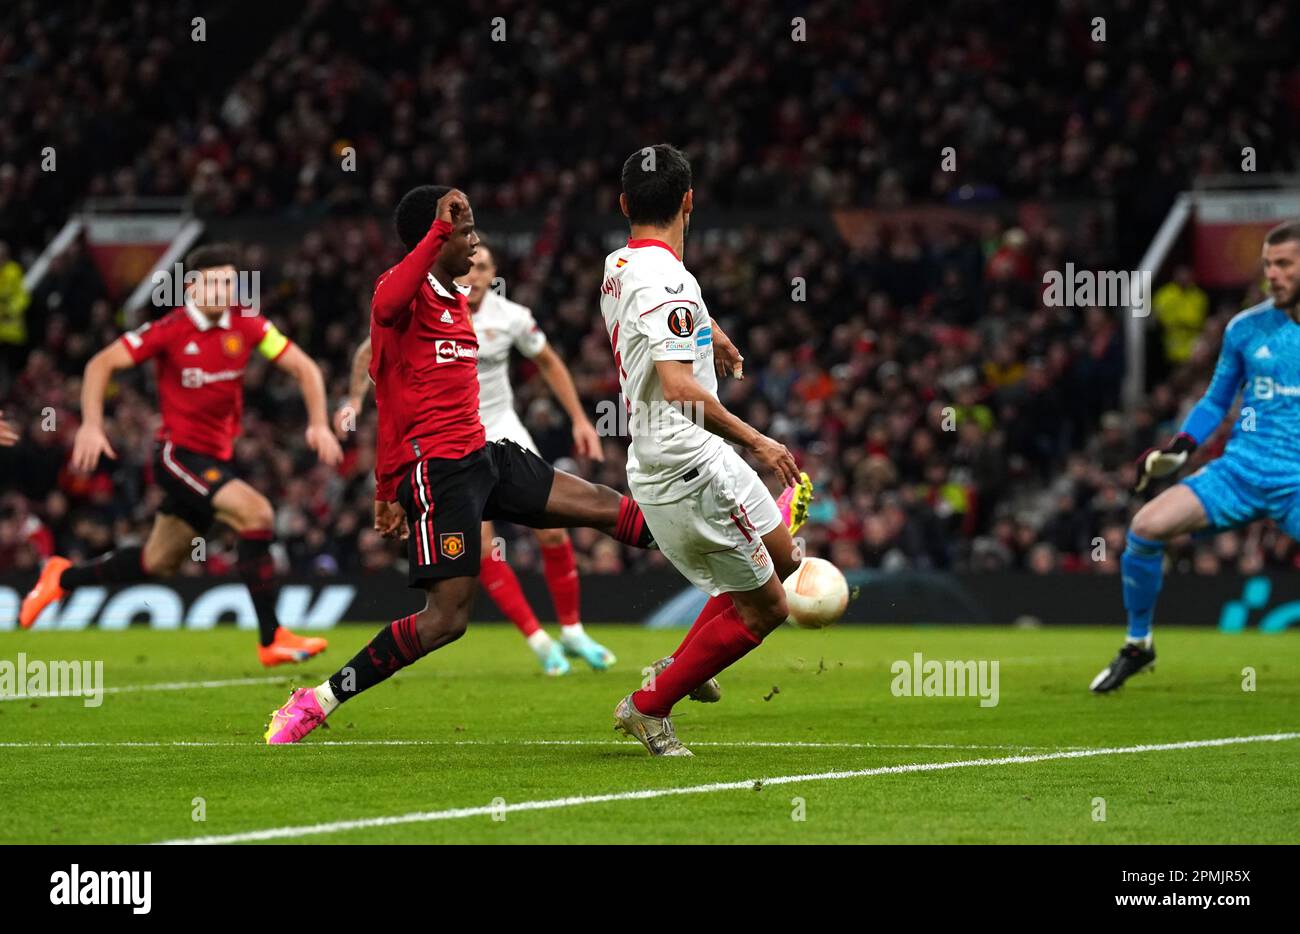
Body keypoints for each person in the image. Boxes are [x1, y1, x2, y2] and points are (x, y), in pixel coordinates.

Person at [265, 186, 660, 744]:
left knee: (596, 502)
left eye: (473, 231)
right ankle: (318, 699)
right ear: (436, 235)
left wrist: (383, 488)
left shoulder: (453, 298)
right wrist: (388, 487)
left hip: (483, 456)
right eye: (466, 232)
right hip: (438, 473)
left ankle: (738, 554)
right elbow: (384, 337)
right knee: (446, 620)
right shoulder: (398, 294)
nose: (475, 246)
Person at [19, 244, 344, 665]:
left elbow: (305, 368)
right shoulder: (170, 330)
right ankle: (272, 637)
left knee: (159, 561)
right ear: (191, 286)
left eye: (229, 282)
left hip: (215, 459)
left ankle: (60, 577)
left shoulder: (249, 326)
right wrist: (93, 425)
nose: (223, 290)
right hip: (178, 456)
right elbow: (100, 364)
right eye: (213, 282)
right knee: (258, 514)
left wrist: (318, 422)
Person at [600, 144, 813, 756]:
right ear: (689, 201)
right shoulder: (667, 280)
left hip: (669, 454)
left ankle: (685, 663)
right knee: (767, 608)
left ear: (623, 204)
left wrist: (710, 332)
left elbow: (666, 312)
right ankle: (648, 705)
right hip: (690, 459)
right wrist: (760, 441)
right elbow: (678, 387)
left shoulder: (620, 264)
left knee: (784, 556)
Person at [334, 239, 616, 674]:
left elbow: (550, 362)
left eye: (486, 267)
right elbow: (368, 350)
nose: (478, 274)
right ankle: (539, 641)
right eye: (473, 264)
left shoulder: (512, 317)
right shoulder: (425, 306)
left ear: (494, 273)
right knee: (483, 548)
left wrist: (579, 419)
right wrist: (354, 401)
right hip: (451, 444)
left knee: (556, 531)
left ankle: (573, 630)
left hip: (502, 427)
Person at [1092, 221, 1300, 692]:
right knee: (1145, 527)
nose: (1273, 274)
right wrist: (1183, 446)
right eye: (1268, 264)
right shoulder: (1246, 329)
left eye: (1284, 264)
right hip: (1238, 473)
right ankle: (1138, 645)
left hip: (1295, 482)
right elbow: (1214, 400)